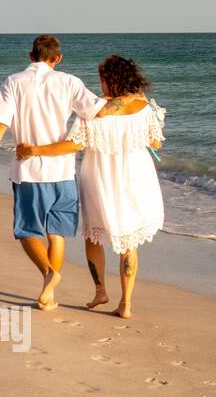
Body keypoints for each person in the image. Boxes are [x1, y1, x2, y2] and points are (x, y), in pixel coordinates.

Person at [16, 55, 165, 319]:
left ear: (110, 79)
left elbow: (74, 144)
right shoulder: (145, 107)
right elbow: (156, 144)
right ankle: (126, 304)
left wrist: (34, 150)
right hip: (137, 177)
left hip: (101, 177)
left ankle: (100, 290)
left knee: (94, 235)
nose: (100, 83)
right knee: (129, 241)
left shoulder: (95, 109)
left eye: (102, 78)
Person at [0, 35, 107, 310]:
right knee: (56, 234)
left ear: (31, 55)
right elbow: (99, 112)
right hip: (64, 171)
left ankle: (49, 274)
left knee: (26, 231)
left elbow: (0, 124)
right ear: (58, 58)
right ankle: (49, 296)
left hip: (29, 173)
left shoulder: (13, 81)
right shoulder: (69, 81)